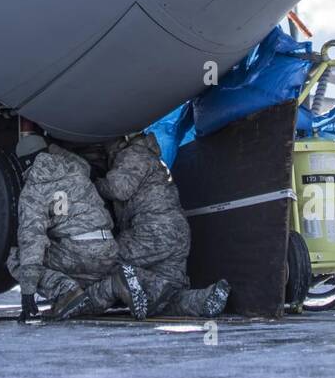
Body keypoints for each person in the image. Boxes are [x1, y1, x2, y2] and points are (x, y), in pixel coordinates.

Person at [87, 132, 230, 319]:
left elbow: (118, 189)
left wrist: (93, 184)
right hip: (176, 232)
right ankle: (202, 300)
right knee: (168, 294)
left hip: (152, 230)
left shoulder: (133, 153)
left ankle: (81, 301)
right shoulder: (152, 157)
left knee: (104, 260)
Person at [6, 133, 119, 320]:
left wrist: (27, 291)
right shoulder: (77, 168)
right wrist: (52, 147)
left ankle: (65, 291)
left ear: (25, 163)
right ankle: (115, 285)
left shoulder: (33, 189)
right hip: (108, 249)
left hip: (78, 252)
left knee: (16, 259)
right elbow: (81, 164)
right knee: (86, 294)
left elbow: (32, 239)